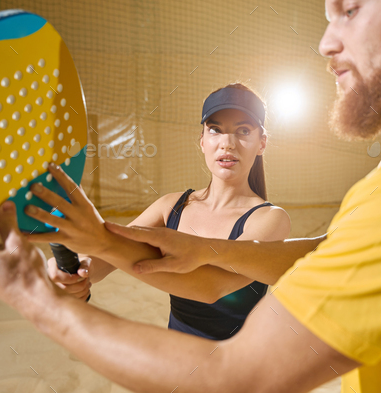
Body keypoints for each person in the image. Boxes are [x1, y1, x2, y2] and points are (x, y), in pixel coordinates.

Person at [0, 0, 381, 392]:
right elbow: (329, 248)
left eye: (348, 9)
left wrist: (33, 296)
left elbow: (233, 377)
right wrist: (123, 250)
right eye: (216, 129)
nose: (327, 42)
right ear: (201, 139)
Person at [28, 82, 292, 340]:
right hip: (177, 366)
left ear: (262, 143)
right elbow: (102, 261)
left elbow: (211, 286)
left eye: (243, 131)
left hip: (241, 373)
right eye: (215, 130)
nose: (228, 143)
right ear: (202, 141)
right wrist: (76, 272)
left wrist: (102, 242)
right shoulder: (172, 206)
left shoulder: (271, 220)